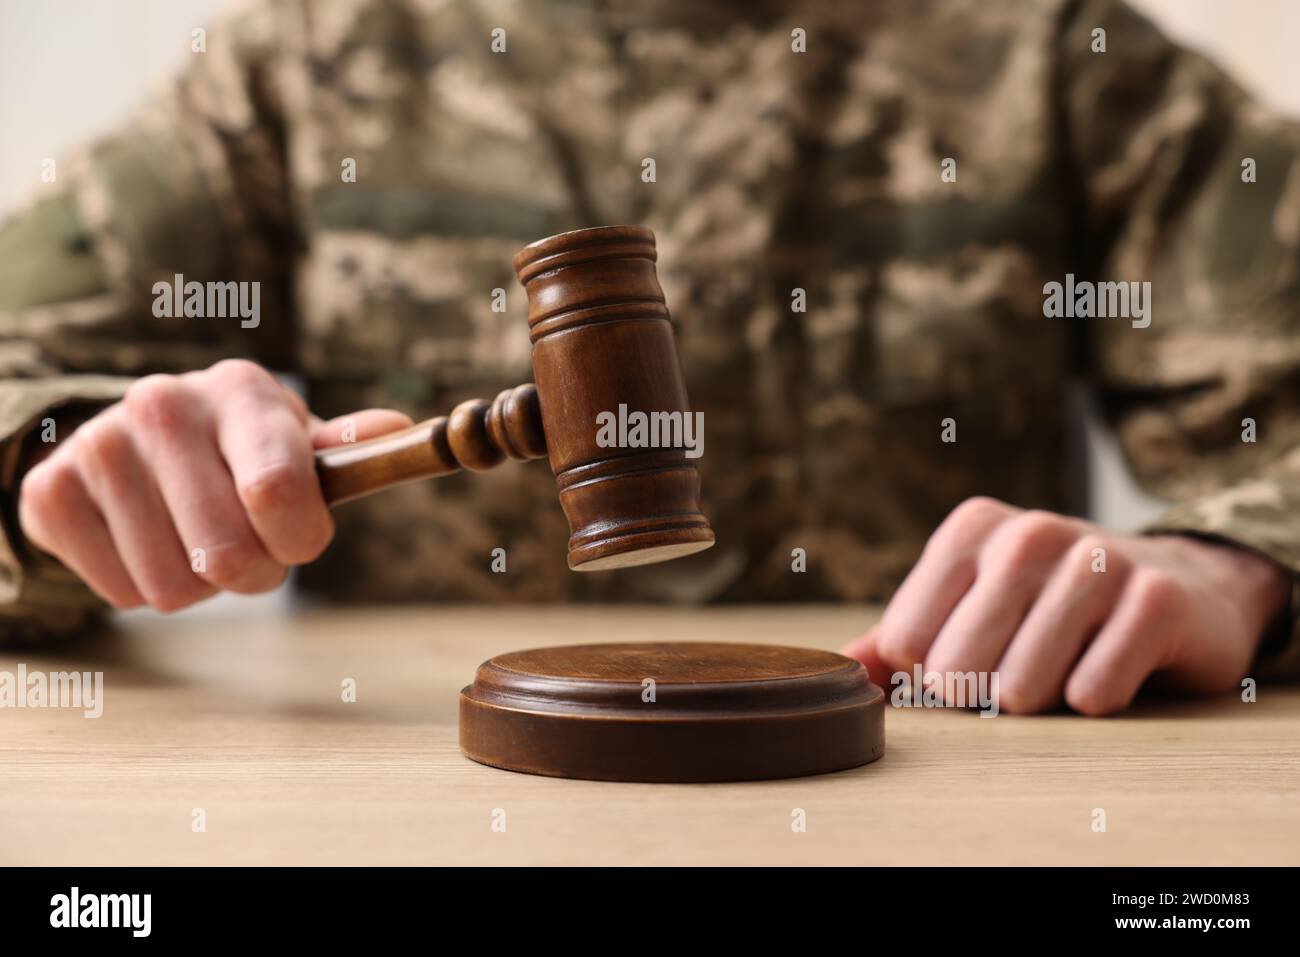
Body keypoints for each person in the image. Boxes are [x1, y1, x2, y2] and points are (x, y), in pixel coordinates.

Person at [1, 0, 1298, 715]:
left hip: (935, 807)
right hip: (435, 828)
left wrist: (1240, 564)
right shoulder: (306, 61)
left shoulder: (1055, 57)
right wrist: (52, 466)